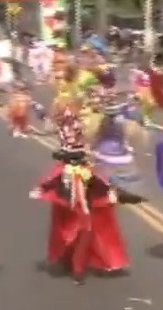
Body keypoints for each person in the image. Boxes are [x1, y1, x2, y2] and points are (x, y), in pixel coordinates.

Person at [30, 109, 129, 284]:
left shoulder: (87, 171)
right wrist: (41, 189)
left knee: (86, 232)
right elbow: (51, 180)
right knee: (68, 233)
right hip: (70, 206)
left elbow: (100, 183)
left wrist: (110, 193)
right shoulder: (64, 171)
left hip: (85, 209)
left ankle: (78, 267)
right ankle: (68, 258)